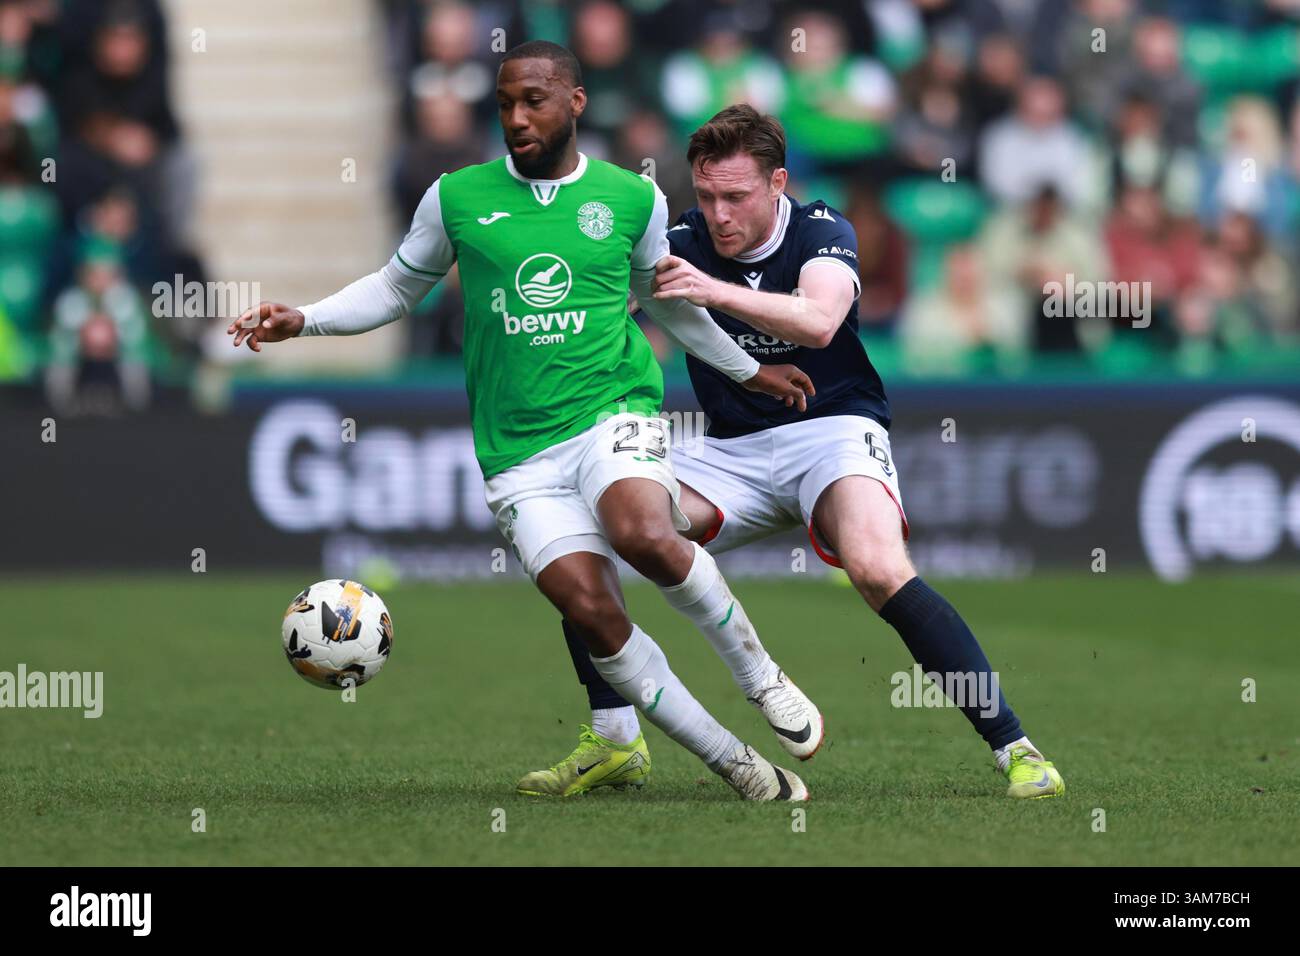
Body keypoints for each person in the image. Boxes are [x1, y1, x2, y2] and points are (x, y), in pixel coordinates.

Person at [228, 42, 817, 802]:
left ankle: (761, 678)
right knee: (591, 608)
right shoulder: (457, 198)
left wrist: (749, 368)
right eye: (505, 103)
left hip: (615, 408)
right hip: (518, 452)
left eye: (534, 99)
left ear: (574, 102)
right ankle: (732, 760)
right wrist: (303, 319)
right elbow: (395, 288)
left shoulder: (632, 199)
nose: (516, 117)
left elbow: (669, 303)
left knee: (642, 531)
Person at [522, 105, 1066, 801]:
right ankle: (615, 739)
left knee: (876, 567)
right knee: (587, 531)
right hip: (729, 449)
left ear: (777, 183)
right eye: (707, 195)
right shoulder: (680, 237)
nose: (718, 214)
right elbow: (606, 313)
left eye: (737, 197)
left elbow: (817, 321)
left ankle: (1016, 747)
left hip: (832, 429)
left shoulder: (820, 229)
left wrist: (707, 289)